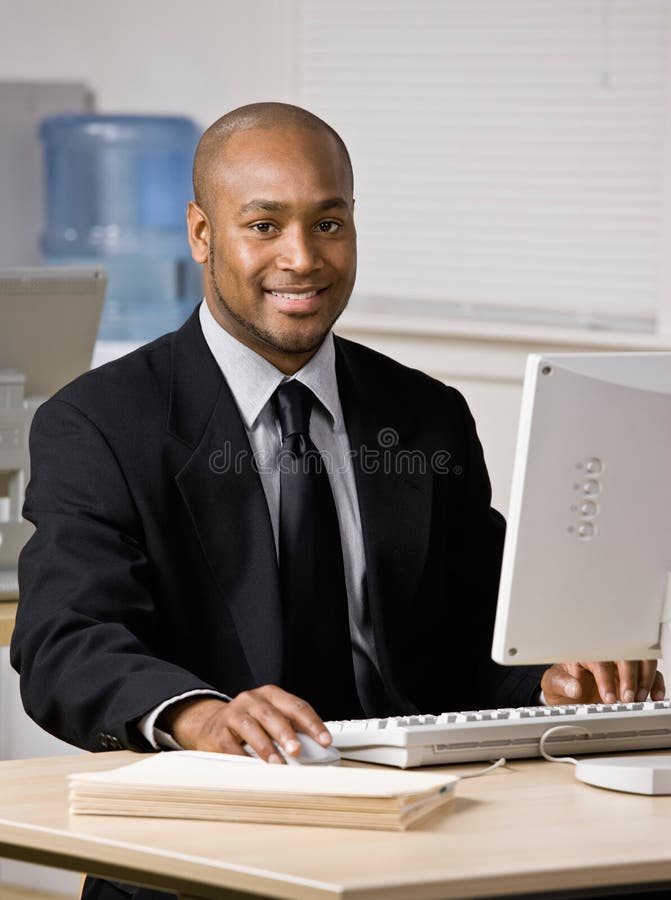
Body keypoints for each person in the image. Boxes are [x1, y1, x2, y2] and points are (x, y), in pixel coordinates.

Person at [10, 103, 664, 900]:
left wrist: (553, 676)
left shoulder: (424, 414)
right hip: (221, 833)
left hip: (431, 822)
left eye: (328, 223)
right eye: (263, 225)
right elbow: (65, 640)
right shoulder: (101, 423)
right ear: (201, 234)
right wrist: (200, 717)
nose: (302, 258)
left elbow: (478, 642)